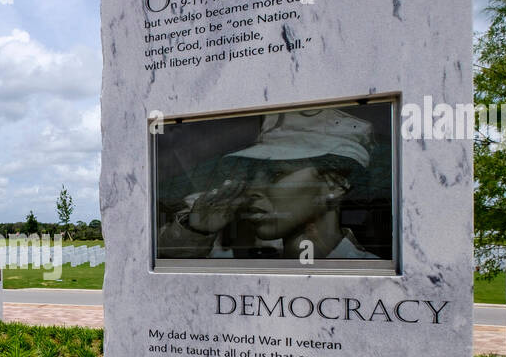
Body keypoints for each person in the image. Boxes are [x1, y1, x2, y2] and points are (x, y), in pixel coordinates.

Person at [158, 107, 381, 260]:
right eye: (252, 173)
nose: (253, 188)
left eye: (276, 174)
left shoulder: (376, 282)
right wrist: (195, 231)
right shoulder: (237, 260)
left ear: (335, 185)